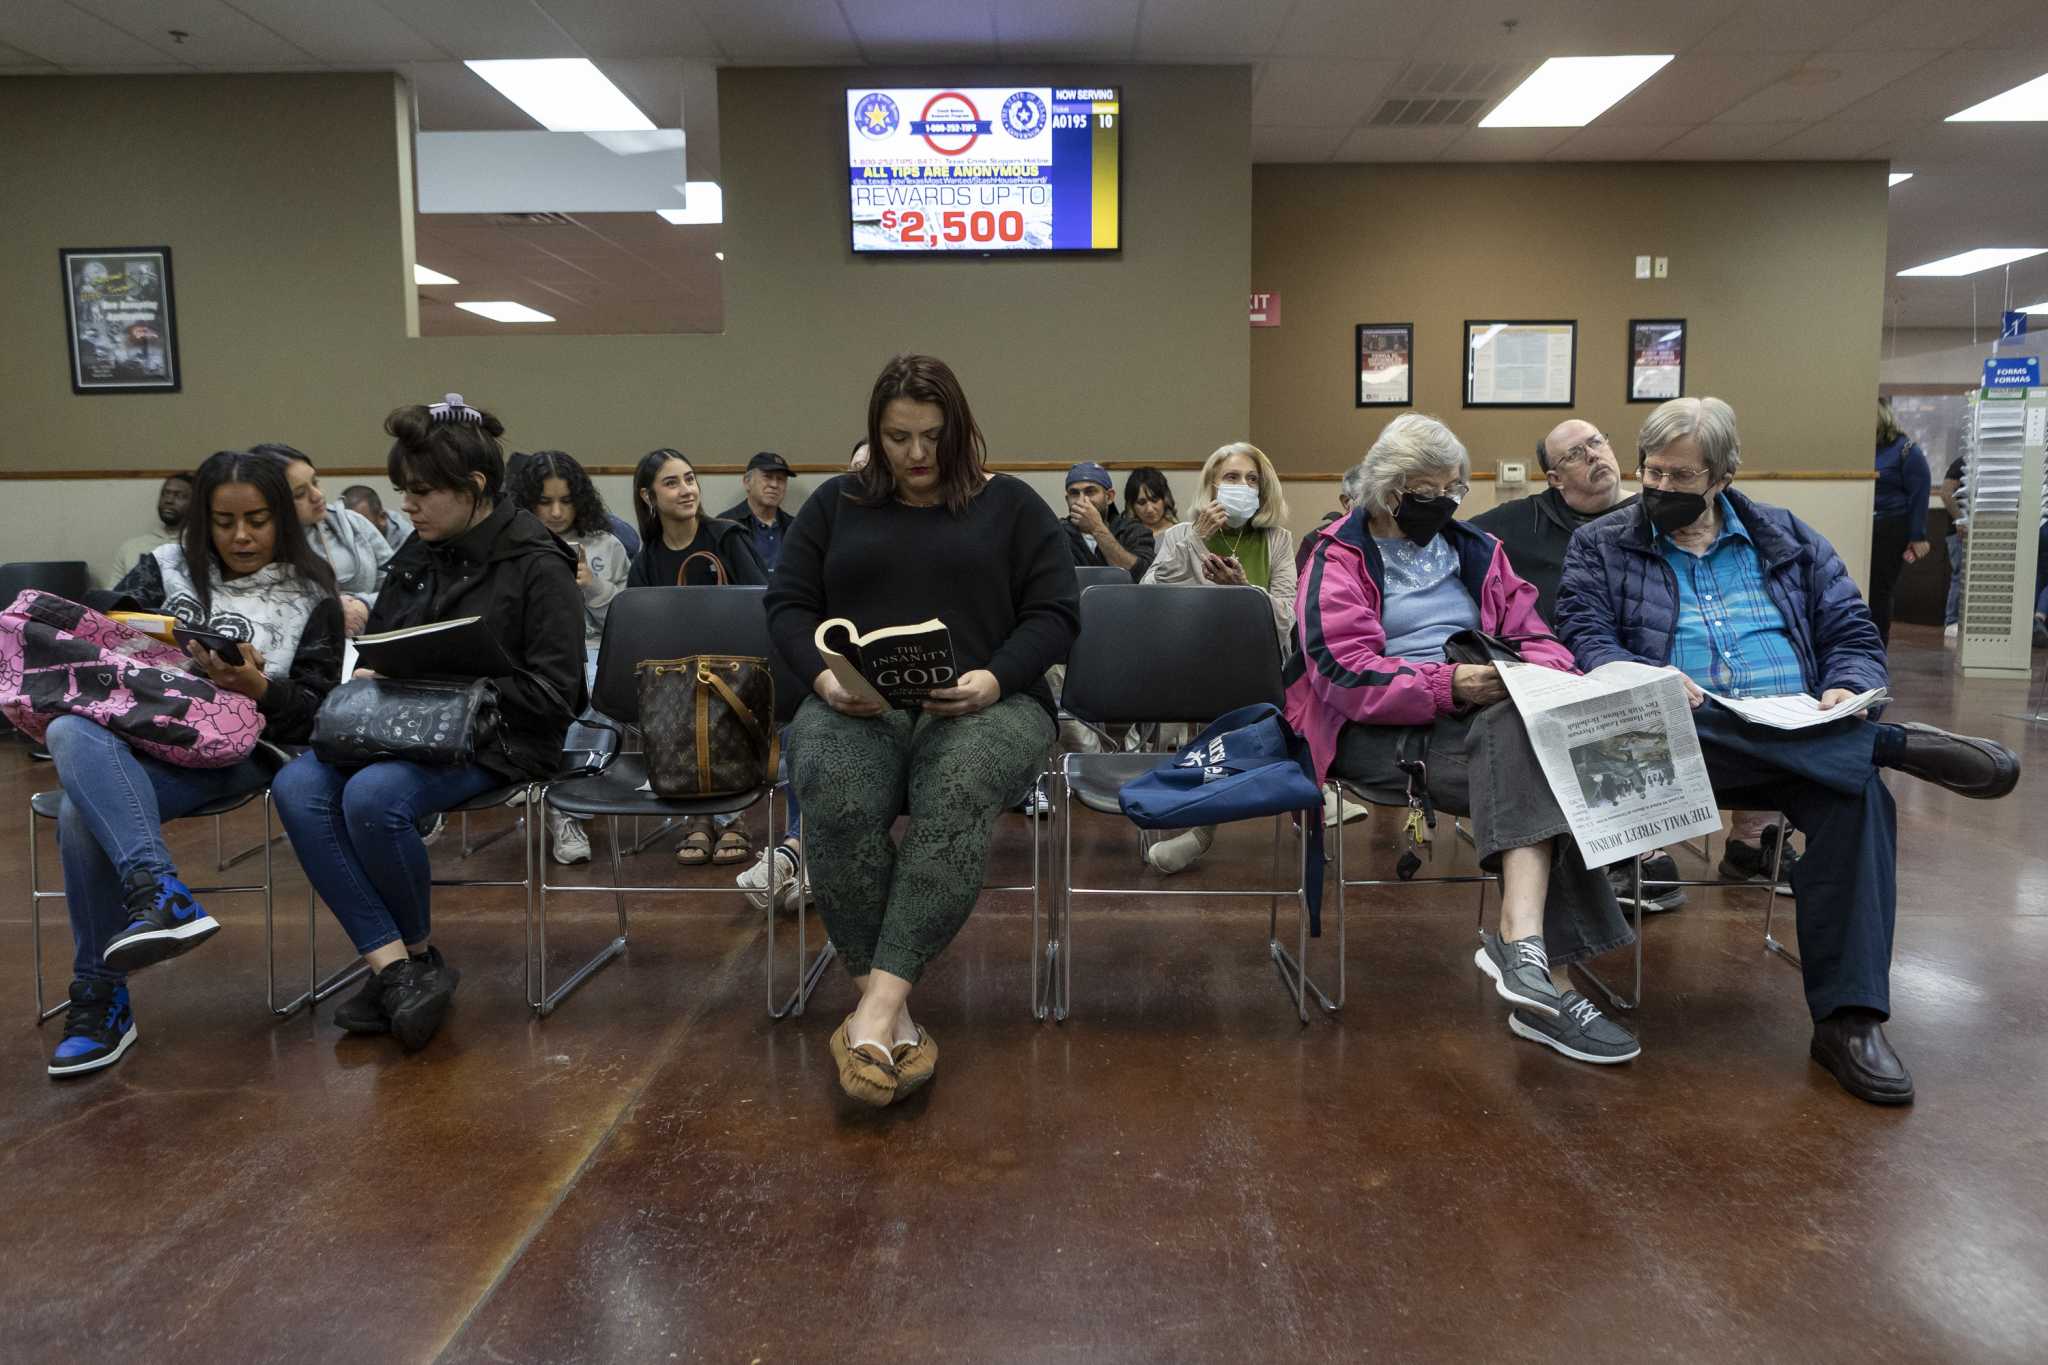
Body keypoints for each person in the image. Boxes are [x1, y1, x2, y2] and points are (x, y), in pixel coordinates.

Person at [1555, 396, 2020, 1104]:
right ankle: (1886, 744)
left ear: (1721, 477)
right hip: (1669, 741)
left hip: (1798, 730)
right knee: (1852, 766)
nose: (1659, 489)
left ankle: (1849, 1022)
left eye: (1681, 477)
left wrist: (1848, 686)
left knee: (1855, 796)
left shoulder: (1788, 538)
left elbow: (1854, 635)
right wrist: (1650, 677)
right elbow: (1584, 639)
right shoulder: (1602, 544)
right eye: (1651, 472)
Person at [767, 354, 1076, 1107]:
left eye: (933, 436)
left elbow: (1057, 614)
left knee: (956, 786)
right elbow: (787, 606)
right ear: (874, 431)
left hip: (989, 703)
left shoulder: (1011, 507)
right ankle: (894, 1011)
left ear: (960, 430)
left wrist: (995, 677)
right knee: (834, 792)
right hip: (856, 701)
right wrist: (824, 677)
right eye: (898, 436)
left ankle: (871, 1011)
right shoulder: (837, 504)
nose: (915, 455)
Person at [1286, 413, 1641, 1066]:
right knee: (1539, 762)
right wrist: (1454, 683)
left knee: (1530, 739)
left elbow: (1534, 633)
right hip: (1376, 730)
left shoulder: (1475, 549)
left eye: (1456, 486)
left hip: (1486, 709)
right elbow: (1344, 672)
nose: (1450, 501)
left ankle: (1527, 956)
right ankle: (1547, 978)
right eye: (1434, 491)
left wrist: (1539, 676)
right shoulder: (1336, 555)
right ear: (1392, 495)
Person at [272, 397, 585, 1053]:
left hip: (504, 737)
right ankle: (401, 967)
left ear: (474, 489)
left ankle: (407, 968)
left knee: (374, 796)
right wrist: (375, 669)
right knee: (298, 786)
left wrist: (454, 681)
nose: (407, 507)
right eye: (402, 492)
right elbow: (384, 640)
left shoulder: (537, 562)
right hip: (404, 725)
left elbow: (560, 694)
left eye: (421, 492)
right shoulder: (420, 547)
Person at [48, 450, 343, 1076]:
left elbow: (316, 714)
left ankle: (100, 998)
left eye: (258, 520)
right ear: (200, 521)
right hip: (140, 734)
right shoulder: (163, 568)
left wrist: (254, 685)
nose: (241, 536)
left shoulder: (313, 592)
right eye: (223, 521)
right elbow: (106, 650)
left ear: (282, 519)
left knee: (81, 812)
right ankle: (157, 891)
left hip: (241, 748)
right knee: (70, 726)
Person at [1469, 419, 1683, 913]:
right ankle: (1629, 850)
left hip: (1647, 658)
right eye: (1573, 455)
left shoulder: (1657, 512)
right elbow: (1458, 538)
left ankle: (1730, 843)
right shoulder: (1525, 520)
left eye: (1597, 443)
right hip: (1562, 667)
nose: (1592, 456)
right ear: (1554, 478)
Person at [1140, 442, 1297, 874]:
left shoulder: (1278, 541)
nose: (1242, 486)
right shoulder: (1179, 535)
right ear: (1211, 485)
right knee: (1226, 701)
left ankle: (1200, 830)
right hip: (1189, 661)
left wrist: (1245, 594)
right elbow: (1148, 599)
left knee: (1256, 696)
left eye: (1252, 480)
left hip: (1257, 667)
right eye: (1231, 478)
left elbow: (1289, 613)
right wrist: (1195, 539)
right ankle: (1304, 793)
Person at [627, 448, 769, 866]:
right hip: (677, 678)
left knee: (708, 703)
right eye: (671, 482)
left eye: (690, 479)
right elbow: (640, 626)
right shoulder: (648, 558)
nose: (686, 490)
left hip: (736, 672)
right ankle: (704, 819)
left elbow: (762, 605)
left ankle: (727, 820)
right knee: (675, 702)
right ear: (648, 496)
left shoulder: (726, 537)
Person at [508, 449, 629, 865]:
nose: (557, 512)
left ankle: (568, 807)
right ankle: (537, 784)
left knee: (599, 694)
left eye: (565, 500)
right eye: (545, 501)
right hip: (532, 654)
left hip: (595, 649)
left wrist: (593, 585)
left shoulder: (607, 545)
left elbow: (627, 619)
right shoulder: (513, 545)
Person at [264, 444, 394, 636]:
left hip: (371, 637)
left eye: (315, 482)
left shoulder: (353, 522)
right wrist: (332, 611)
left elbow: (400, 587)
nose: (318, 496)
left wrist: (364, 605)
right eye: (300, 494)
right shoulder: (263, 544)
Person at [1869, 401, 1932, 647]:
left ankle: (1877, 647)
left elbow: (1920, 494)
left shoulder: (1906, 450)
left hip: (1891, 527)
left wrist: (1918, 535)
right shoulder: (1865, 449)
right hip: (1865, 523)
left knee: (1879, 592)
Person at [1062, 461, 1155, 581]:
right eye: (1074, 493)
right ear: (1067, 499)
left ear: (1109, 497)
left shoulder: (1133, 530)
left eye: (1090, 491)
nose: (1081, 501)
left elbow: (1143, 577)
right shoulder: (1058, 534)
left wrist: (1097, 528)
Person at [717, 450, 797, 573]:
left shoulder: (796, 527)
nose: (774, 484)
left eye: (781, 479)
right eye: (767, 477)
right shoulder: (726, 524)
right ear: (747, 482)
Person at [109, 472, 193, 585]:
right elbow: (112, 597)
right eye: (165, 494)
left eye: (178, 496)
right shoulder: (130, 548)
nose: (169, 500)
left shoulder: (203, 549)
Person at [1939, 454, 1966, 642]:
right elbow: (1946, 493)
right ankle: (1952, 621)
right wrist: (1960, 520)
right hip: (1958, 531)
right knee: (1960, 573)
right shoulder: (1961, 463)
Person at [340, 484, 413, 552]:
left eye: (362, 525)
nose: (353, 535)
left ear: (382, 518)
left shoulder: (411, 542)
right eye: (348, 527)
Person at [1123, 467, 1176, 536]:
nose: (1149, 509)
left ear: (1165, 500)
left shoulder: (1179, 533)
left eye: (1154, 500)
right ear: (1131, 506)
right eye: (1141, 503)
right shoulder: (1125, 535)